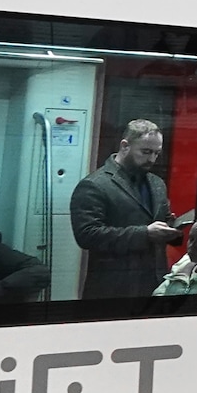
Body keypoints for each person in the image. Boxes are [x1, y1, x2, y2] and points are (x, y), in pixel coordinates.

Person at [70, 118, 177, 298]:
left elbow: (159, 218)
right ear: (125, 146)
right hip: (113, 288)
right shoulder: (94, 185)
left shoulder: (156, 183)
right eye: (146, 152)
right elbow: (87, 235)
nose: (152, 159)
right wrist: (145, 233)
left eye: (157, 153)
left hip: (154, 283)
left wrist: (170, 226)